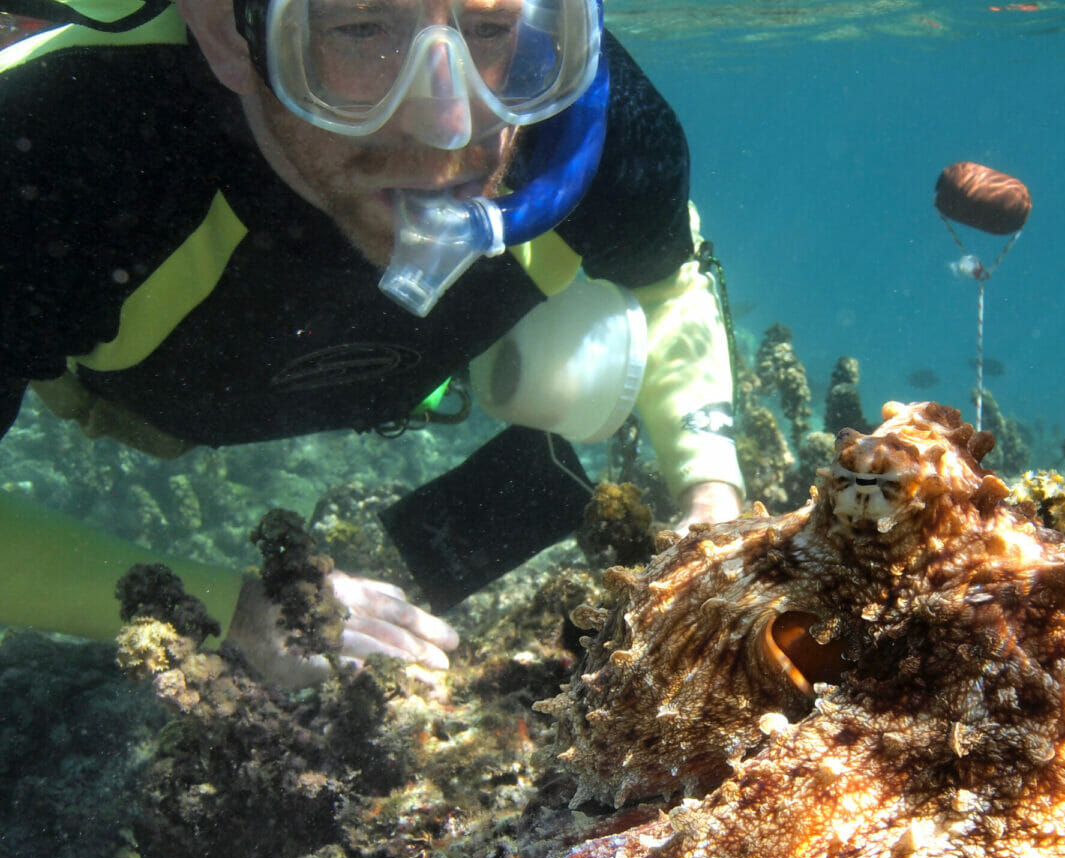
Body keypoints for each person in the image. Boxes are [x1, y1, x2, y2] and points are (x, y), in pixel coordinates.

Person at [0, 0, 744, 687]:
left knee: (584, 338)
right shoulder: (50, 140)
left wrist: (711, 492)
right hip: (144, 400)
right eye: (361, 29)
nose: (449, 127)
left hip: (434, 366)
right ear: (227, 31)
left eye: (487, 29)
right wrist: (232, 613)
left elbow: (665, 281)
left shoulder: (591, 114)